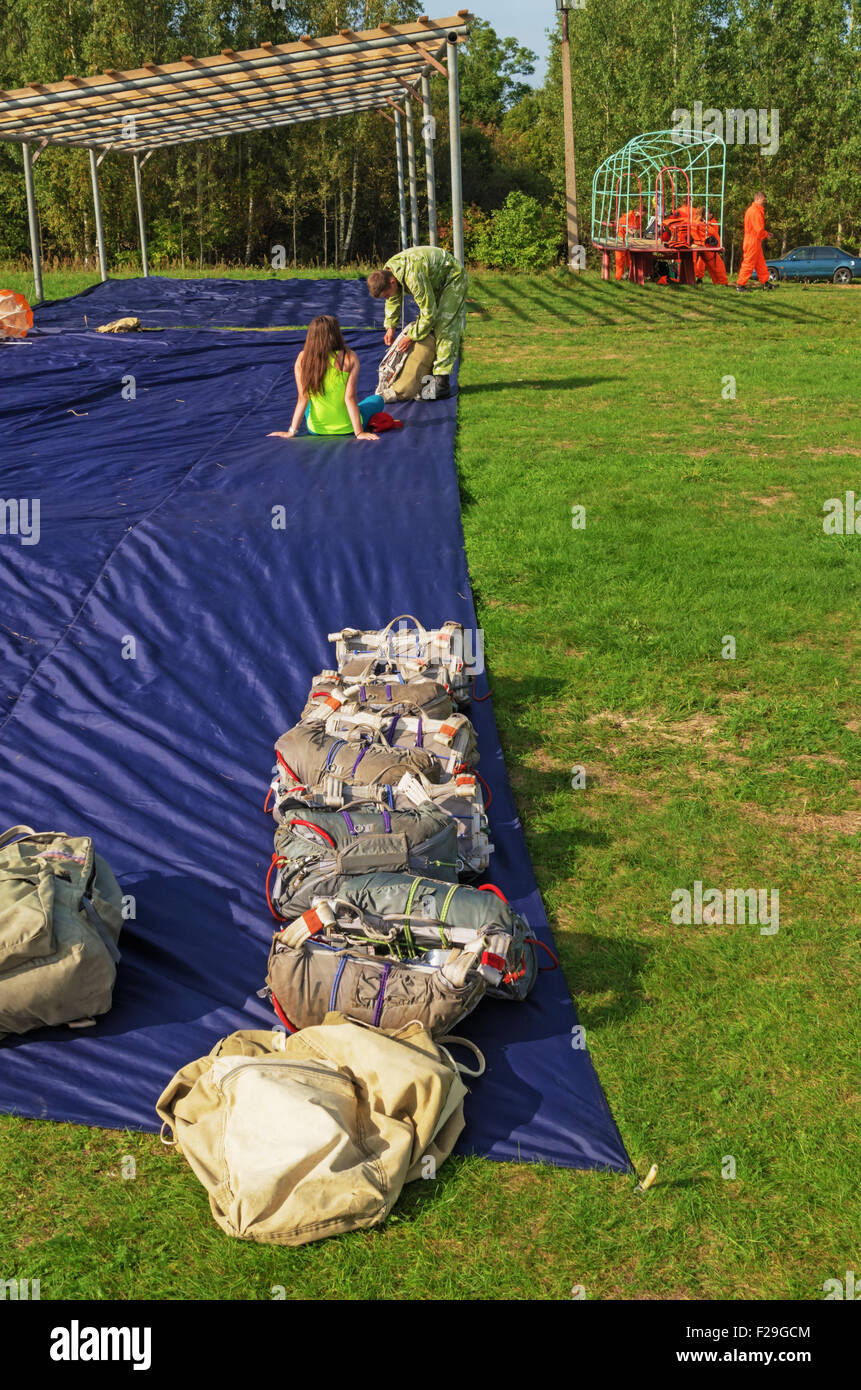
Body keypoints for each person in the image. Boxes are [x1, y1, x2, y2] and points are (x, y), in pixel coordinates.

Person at [367, 245, 469, 400]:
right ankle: (430, 376)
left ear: (392, 282)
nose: (387, 298)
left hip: (453, 278)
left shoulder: (412, 276)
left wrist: (412, 337)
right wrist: (390, 327)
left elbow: (429, 313)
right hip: (436, 279)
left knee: (444, 326)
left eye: (386, 294)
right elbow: (393, 299)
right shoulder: (388, 271)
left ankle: (442, 384)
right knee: (430, 327)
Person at [268, 315, 382, 441]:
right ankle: (354, 412)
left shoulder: (303, 358)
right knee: (377, 399)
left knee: (310, 400)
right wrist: (359, 432)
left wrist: (291, 431)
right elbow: (349, 397)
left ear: (312, 336)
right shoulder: (349, 357)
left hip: (316, 429)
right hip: (347, 427)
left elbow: (303, 398)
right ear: (336, 334)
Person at [736, 191, 772, 291]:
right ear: (758, 199)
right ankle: (740, 285)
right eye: (763, 200)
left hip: (754, 240)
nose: (765, 202)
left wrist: (765, 234)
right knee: (748, 263)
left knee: (760, 263)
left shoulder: (754, 210)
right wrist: (766, 235)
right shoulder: (755, 211)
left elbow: (758, 229)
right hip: (752, 241)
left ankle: (766, 282)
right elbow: (758, 229)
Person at [615, 208, 641, 280]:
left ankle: (631, 277)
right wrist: (629, 230)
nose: (642, 216)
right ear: (638, 211)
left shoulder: (638, 218)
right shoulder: (627, 216)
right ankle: (619, 278)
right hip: (621, 238)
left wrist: (635, 231)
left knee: (630, 258)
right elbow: (621, 225)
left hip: (630, 239)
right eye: (642, 213)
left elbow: (637, 227)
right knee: (620, 259)